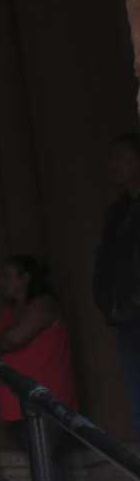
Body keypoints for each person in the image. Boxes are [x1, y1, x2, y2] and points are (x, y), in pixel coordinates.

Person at [0, 253, 78, 481]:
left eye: (8, 276)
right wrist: (0, 339)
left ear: (25, 278)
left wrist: (1, 340)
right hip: (18, 405)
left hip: (47, 400)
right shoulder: (11, 311)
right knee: (41, 462)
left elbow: (12, 339)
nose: (2, 282)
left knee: (46, 462)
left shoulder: (43, 304)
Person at [92, 133, 140, 437]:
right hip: (124, 316)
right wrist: (106, 301)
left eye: (120, 156)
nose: (113, 165)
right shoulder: (117, 211)